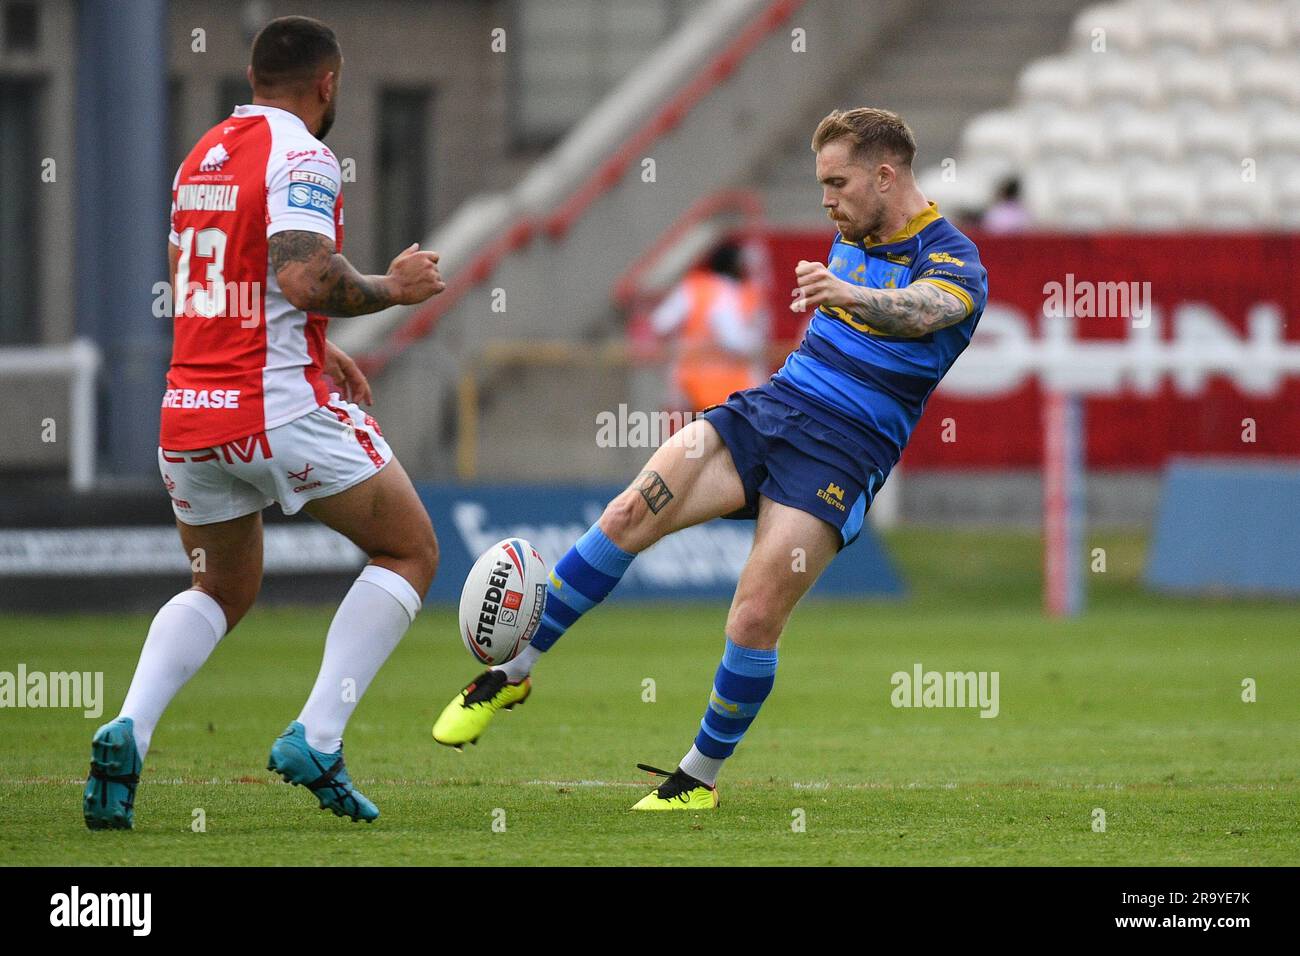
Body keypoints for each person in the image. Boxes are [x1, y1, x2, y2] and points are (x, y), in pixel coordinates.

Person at [432, 107, 988, 810]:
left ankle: (696, 779)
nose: (826, 199)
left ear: (885, 175)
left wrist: (849, 293)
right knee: (632, 509)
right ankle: (512, 671)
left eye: (838, 182)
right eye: (821, 184)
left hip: (845, 452)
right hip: (773, 408)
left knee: (754, 617)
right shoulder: (853, 226)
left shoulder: (953, 259)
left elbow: (924, 311)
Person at [83, 15, 445, 829]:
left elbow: (225, 288)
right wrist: (393, 286)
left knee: (220, 585)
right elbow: (305, 277)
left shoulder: (200, 158)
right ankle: (317, 735)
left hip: (188, 413)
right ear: (327, 84)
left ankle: (127, 730)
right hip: (274, 410)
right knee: (411, 549)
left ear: (252, 77)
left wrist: (316, 351)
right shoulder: (305, 153)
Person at [650, 241, 767, 412]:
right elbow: (738, 341)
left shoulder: (694, 287)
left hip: (691, 386)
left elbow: (660, 324)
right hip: (731, 390)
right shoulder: (736, 293)